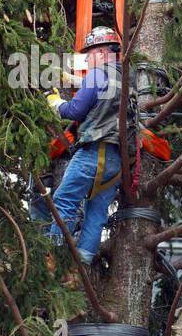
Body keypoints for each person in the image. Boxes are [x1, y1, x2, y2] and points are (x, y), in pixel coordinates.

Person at [44, 26, 131, 270]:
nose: (88, 59)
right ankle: (80, 267)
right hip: (116, 162)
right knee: (96, 214)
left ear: (102, 53)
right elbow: (105, 92)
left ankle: (52, 257)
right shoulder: (127, 78)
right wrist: (75, 81)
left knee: (63, 201)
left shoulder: (98, 74)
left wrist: (55, 102)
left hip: (93, 153)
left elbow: (75, 111)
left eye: (90, 54)